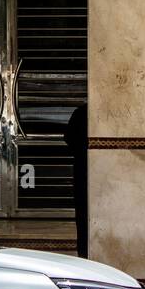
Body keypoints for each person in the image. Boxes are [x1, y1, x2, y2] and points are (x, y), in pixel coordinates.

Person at [64, 104, 88, 259]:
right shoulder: (84, 112)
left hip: (81, 168)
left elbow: (68, 138)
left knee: (82, 214)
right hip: (90, 169)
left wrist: (81, 152)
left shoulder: (81, 111)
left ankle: (83, 252)